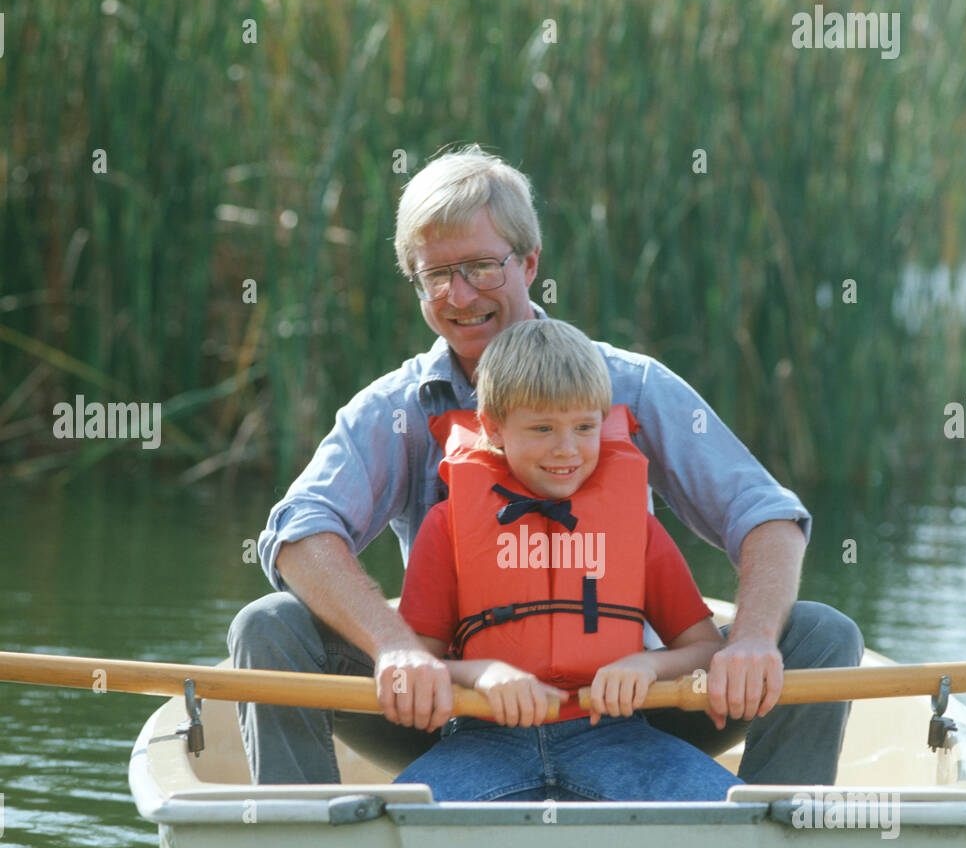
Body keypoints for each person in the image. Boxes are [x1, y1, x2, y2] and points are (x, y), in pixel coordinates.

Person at [228, 145, 862, 785]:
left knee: (820, 636)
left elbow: (767, 517)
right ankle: (304, 842)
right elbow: (298, 532)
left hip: (636, 706)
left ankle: (776, 845)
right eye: (435, 275)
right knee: (270, 628)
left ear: (530, 263)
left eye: (481, 266)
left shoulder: (631, 385)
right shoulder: (397, 408)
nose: (460, 295)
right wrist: (397, 650)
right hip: (456, 706)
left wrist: (751, 638)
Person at [391, 318, 743, 802]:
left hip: (618, 738)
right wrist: (484, 672)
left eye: (584, 427)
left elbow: (705, 649)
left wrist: (647, 665)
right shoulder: (445, 526)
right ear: (493, 426)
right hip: (483, 742)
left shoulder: (636, 526)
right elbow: (417, 665)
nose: (567, 449)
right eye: (542, 428)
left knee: (747, 816)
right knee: (380, 827)